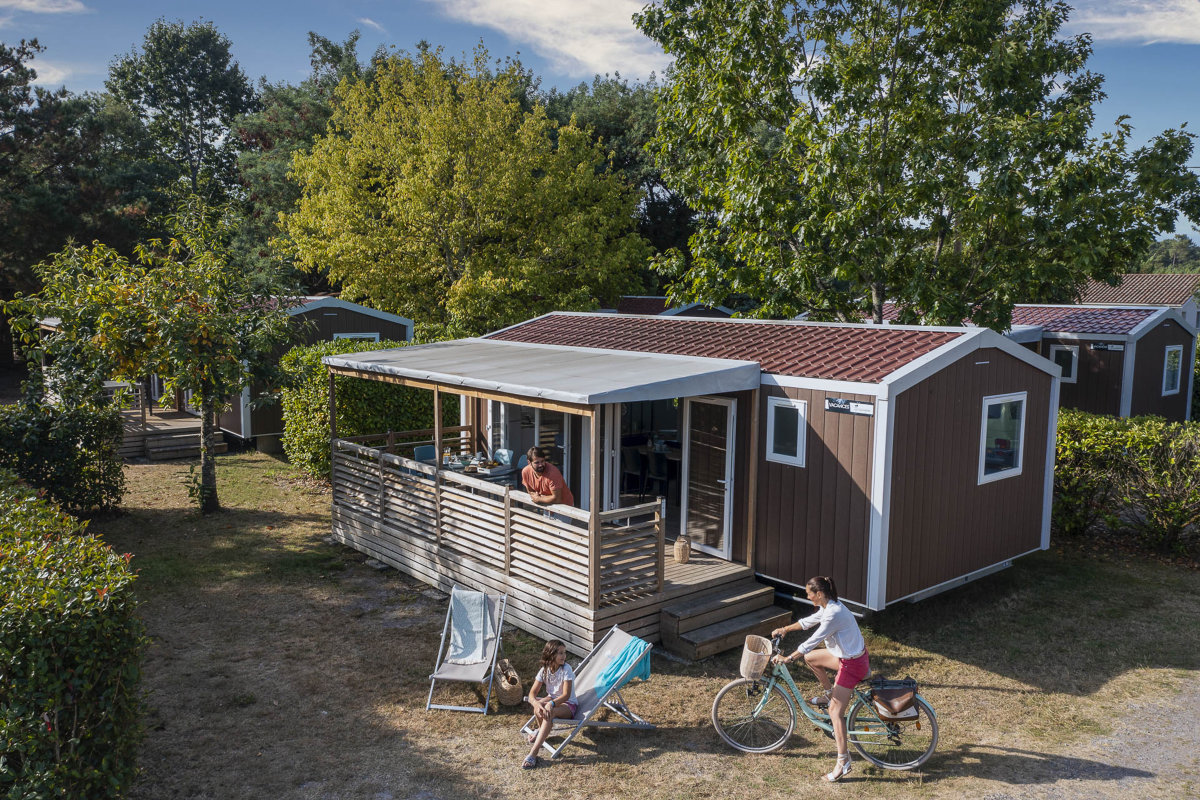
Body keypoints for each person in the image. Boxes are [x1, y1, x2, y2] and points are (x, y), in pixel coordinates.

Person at [771, 576, 869, 782]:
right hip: (847, 658)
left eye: (809, 594)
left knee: (835, 712)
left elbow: (813, 639)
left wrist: (788, 658)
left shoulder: (833, 613)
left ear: (820, 594)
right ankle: (828, 694)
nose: (807, 597)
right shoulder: (829, 606)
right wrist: (785, 629)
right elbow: (809, 622)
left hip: (851, 664)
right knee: (811, 658)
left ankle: (843, 762)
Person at [522, 639, 578, 769]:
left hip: (568, 704)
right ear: (551, 654)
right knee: (539, 707)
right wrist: (536, 703)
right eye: (560, 653)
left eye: (565, 653)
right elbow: (532, 694)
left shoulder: (566, 669)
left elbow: (566, 695)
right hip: (551, 699)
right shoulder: (544, 670)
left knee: (548, 712)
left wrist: (551, 704)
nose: (564, 656)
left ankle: (533, 754)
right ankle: (541, 731)